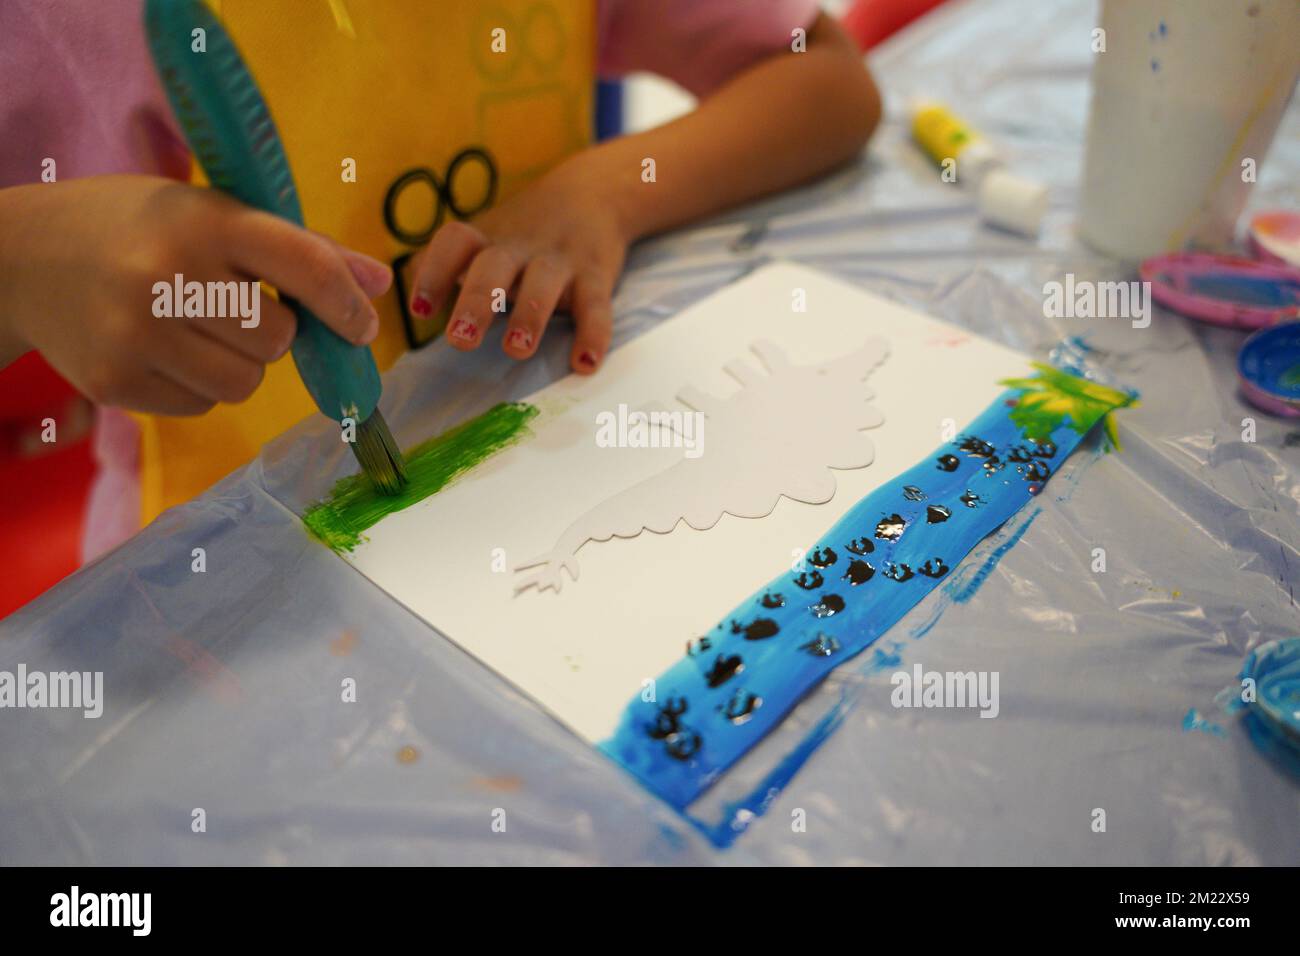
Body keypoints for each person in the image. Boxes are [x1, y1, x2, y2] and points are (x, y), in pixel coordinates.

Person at [0, 0, 881, 550]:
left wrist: (603, 193)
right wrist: (23, 260)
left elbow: (827, 79)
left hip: (536, 485)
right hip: (215, 580)